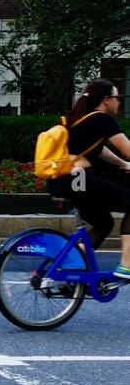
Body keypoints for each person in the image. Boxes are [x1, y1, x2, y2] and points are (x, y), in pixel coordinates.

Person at [45, 80, 130, 278]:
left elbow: (99, 150)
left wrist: (123, 164)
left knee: (104, 223)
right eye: (118, 97)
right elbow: (127, 148)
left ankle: (69, 266)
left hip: (61, 181)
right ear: (106, 100)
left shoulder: (79, 118)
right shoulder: (102, 119)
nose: (120, 102)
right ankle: (126, 266)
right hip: (78, 180)